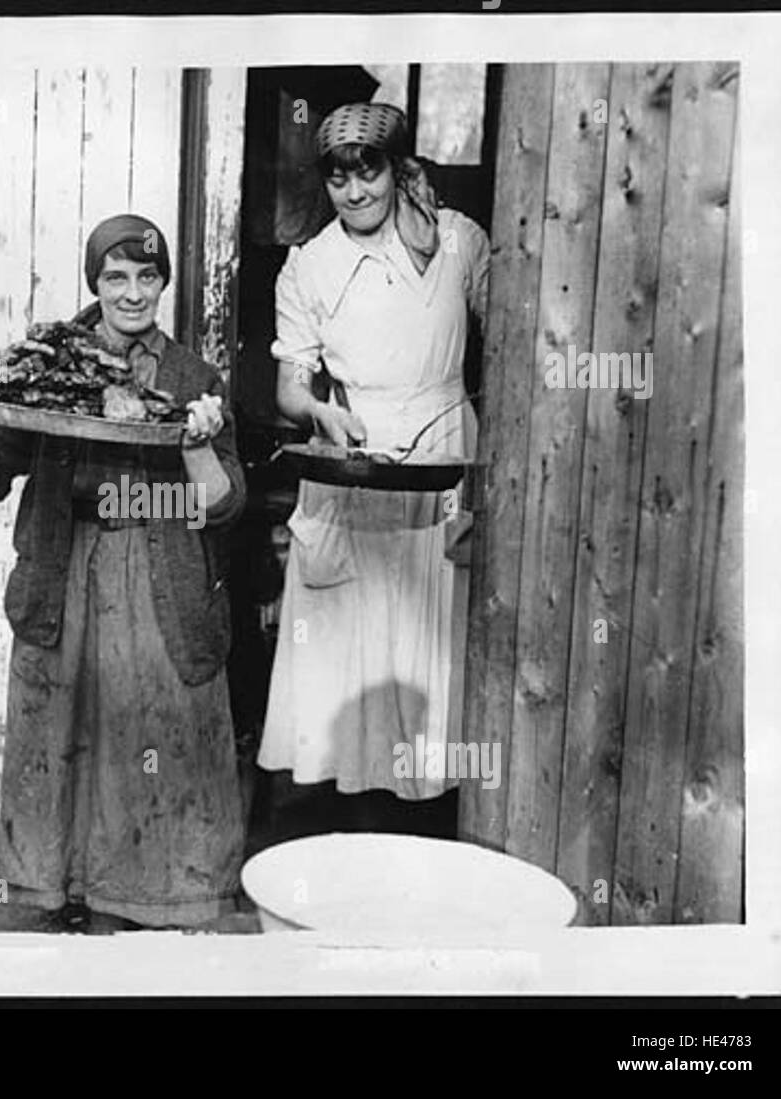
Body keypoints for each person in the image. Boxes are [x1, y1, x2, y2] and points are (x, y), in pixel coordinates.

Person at [0, 214, 247, 932]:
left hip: (156, 572)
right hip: (65, 564)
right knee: (57, 722)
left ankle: (160, 898)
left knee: (156, 727)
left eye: (148, 277)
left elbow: (225, 503)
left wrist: (198, 443)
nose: (133, 292)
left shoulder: (192, 378)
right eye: (116, 277)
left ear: (164, 283)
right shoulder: (53, 362)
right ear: (96, 283)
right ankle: (52, 894)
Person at [257, 102, 489, 830]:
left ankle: (428, 828)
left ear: (396, 168)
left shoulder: (457, 241)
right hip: (355, 464)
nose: (355, 192)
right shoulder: (310, 265)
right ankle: (340, 826)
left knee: (428, 651)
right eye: (337, 179)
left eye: (369, 172)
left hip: (445, 454)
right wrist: (320, 413)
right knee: (341, 661)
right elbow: (289, 387)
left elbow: (510, 332)